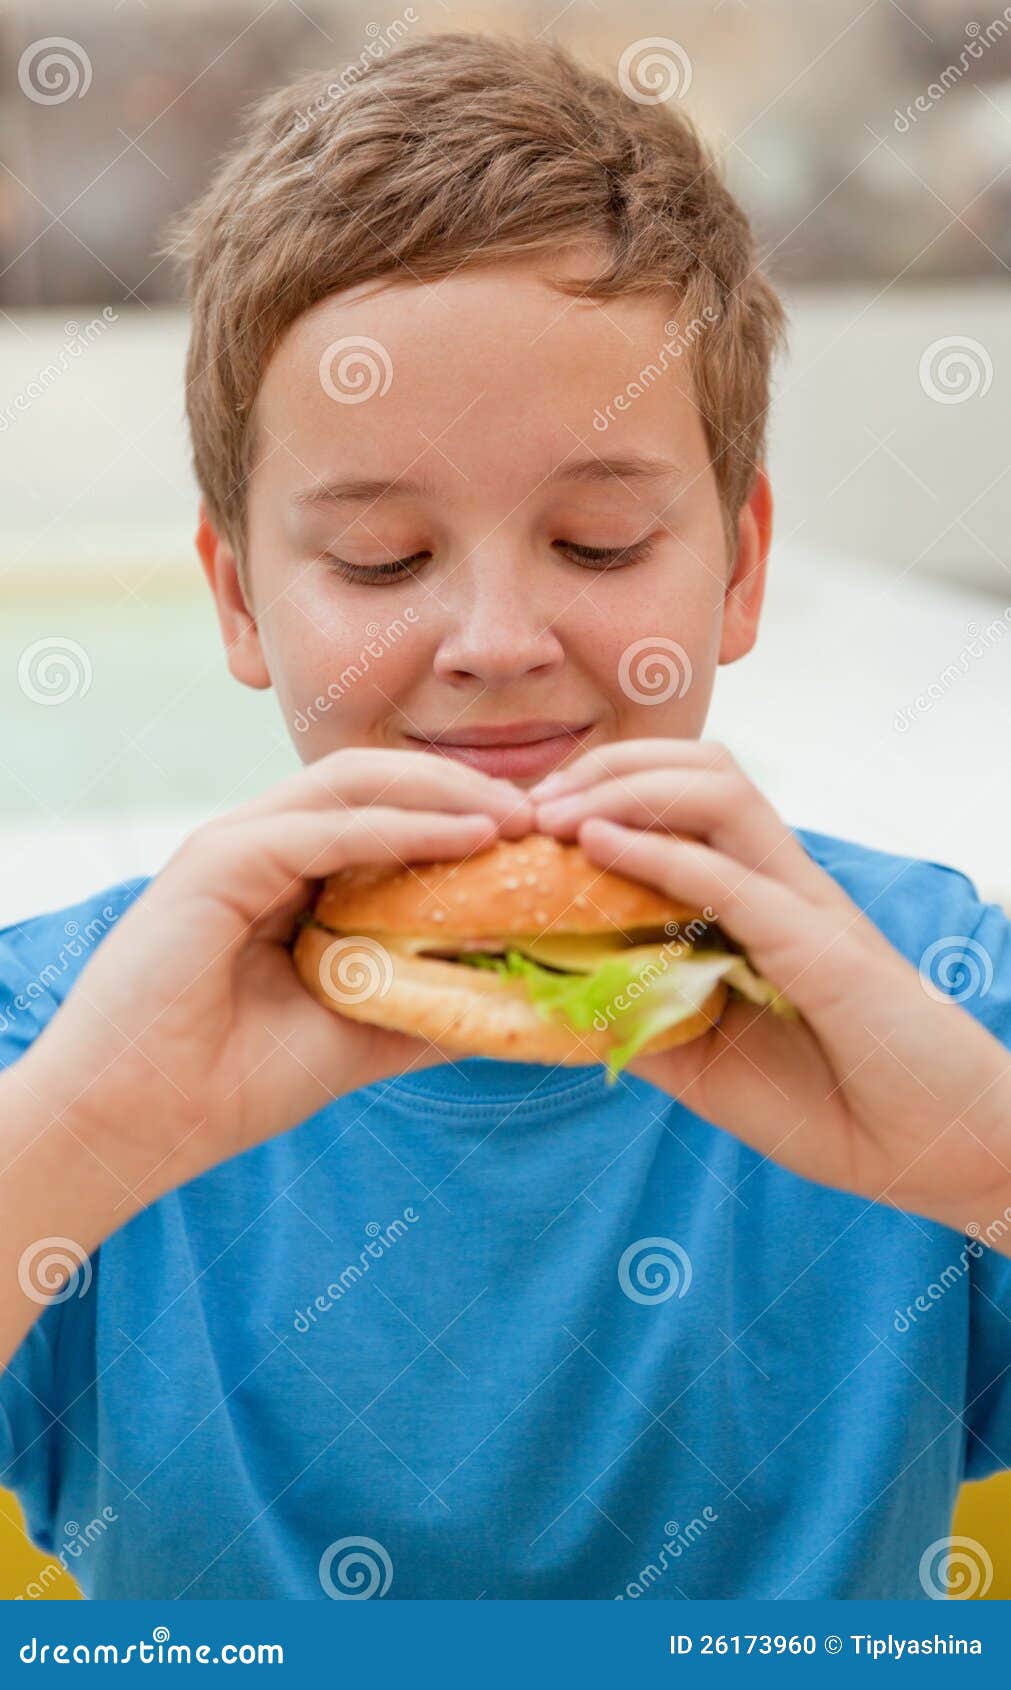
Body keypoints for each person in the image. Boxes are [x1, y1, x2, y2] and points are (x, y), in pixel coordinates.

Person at [2, 31, 1009, 1601]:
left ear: (740, 567)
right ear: (238, 596)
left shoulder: (928, 988)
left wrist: (981, 1157)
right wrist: (73, 1151)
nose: (496, 637)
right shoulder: (62, 1031)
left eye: (600, 543)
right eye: (386, 561)